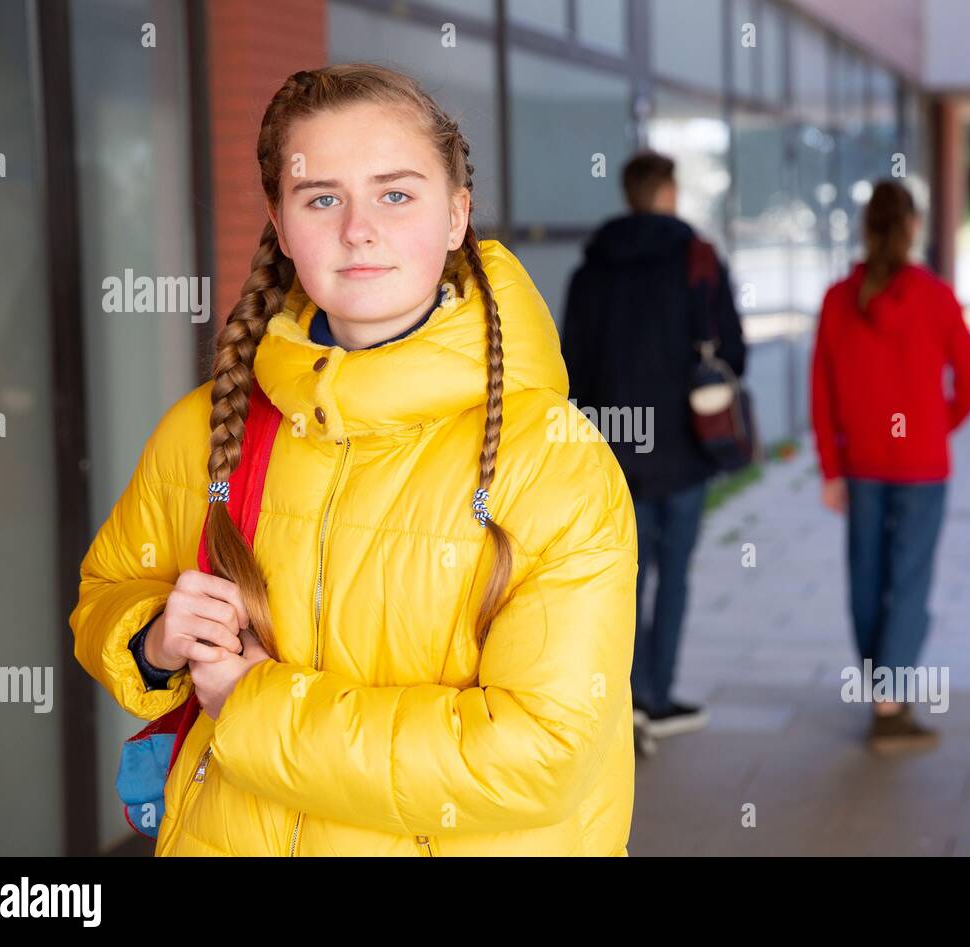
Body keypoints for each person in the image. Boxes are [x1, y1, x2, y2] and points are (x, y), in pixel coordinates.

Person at [68, 64, 639, 857]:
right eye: (322, 197)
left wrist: (256, 706)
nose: (358, 228)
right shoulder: (210, 427)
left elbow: (540, 754)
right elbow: (106, 591)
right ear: (279, 217)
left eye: (396, 194)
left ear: (456, 215)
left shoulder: (555, 462)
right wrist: (152, 639)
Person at [562, 151, 745, 739]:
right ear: (667, 192)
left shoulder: (591, 269)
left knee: (621, 577)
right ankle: (657, 697)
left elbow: (572, 368)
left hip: (613, 444)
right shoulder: (697, 259)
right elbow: (732, 353)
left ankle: (617, 699)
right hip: (686, 446)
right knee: (675, 574)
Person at [809, 181, 970, 753]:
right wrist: (934, 427)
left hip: (861, 463)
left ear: (867, 228)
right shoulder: (936, 296)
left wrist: (832, 467)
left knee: (865, 578)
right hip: (922, 467)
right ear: (914, 227)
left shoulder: (839, 299)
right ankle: (890, 704)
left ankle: (879, 688)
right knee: (908, 581)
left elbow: (821, 392)